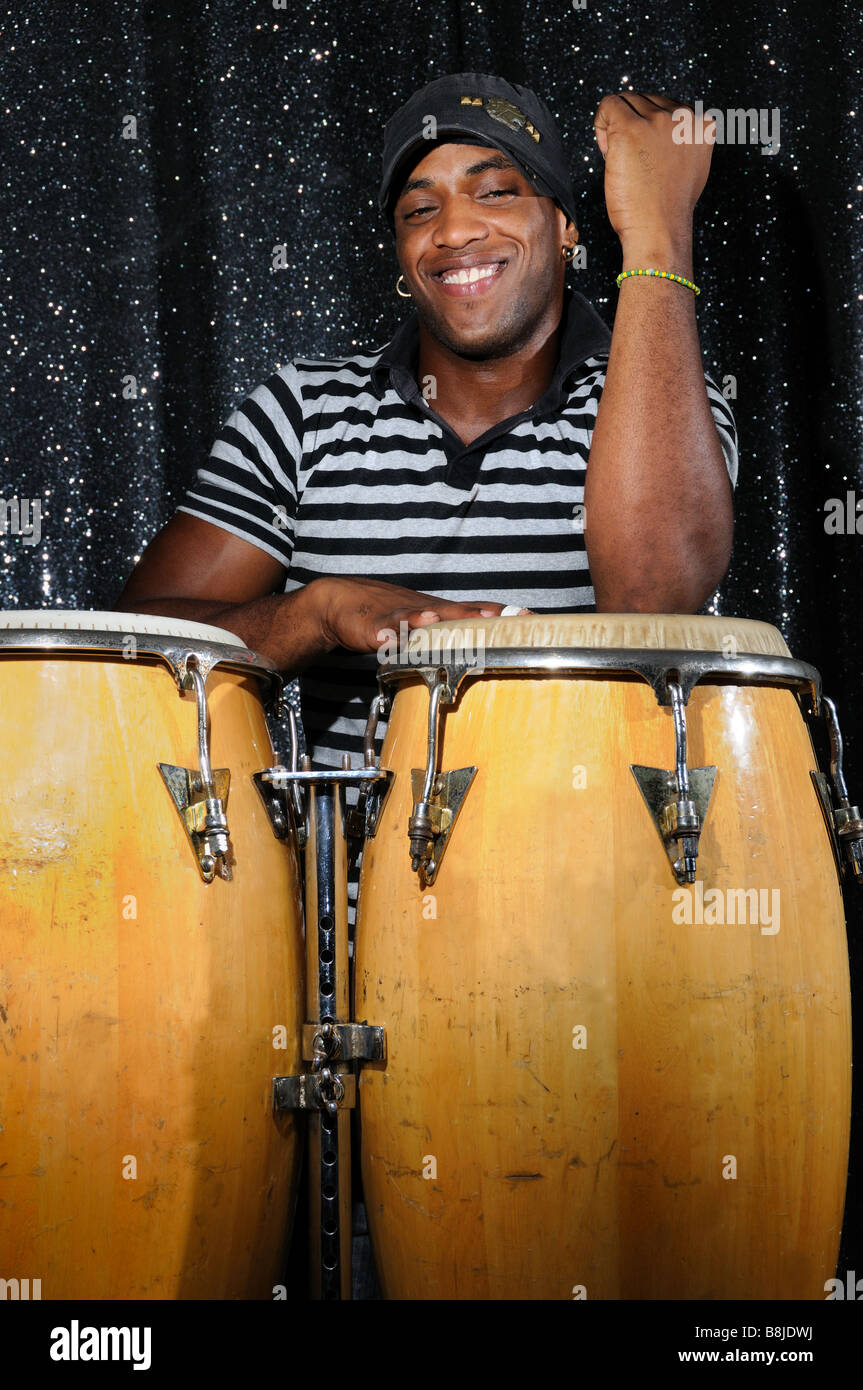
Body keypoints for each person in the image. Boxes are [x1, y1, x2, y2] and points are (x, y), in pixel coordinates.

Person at [117, 72, 736, 790]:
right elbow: (135, 653)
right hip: (346, 897)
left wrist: (656, 233)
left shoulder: (659, 397)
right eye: (418, 209)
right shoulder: (305, 408)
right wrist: (316, 613)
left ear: (566, 226)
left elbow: (649, 602)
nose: (453, 230)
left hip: (589, 882)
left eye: (496, 191)